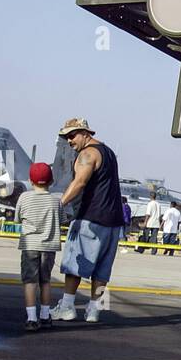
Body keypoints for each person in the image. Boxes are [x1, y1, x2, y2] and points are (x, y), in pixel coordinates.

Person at [50, 118, 125, 325]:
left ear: (85, 133)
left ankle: (67, 307)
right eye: (66, 137)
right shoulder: (108, 152)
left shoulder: (87, 153)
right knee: (102, 269)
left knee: (74, 264)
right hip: (114, 220)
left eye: (72, 135)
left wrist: (60, 204)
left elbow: (80, 182)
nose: (69, 140)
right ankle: (94, 309)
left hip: (90, 218)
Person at [15, 162, 61, 332]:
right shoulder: (56, 200)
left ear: (30, 180)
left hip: (29, 245)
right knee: (45, 281)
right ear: (51, 180)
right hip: (49, 245)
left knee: (29, 281)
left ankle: (31, 318)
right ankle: (45, 315)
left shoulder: (24, 197)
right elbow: (62, 219)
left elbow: (17, 219)